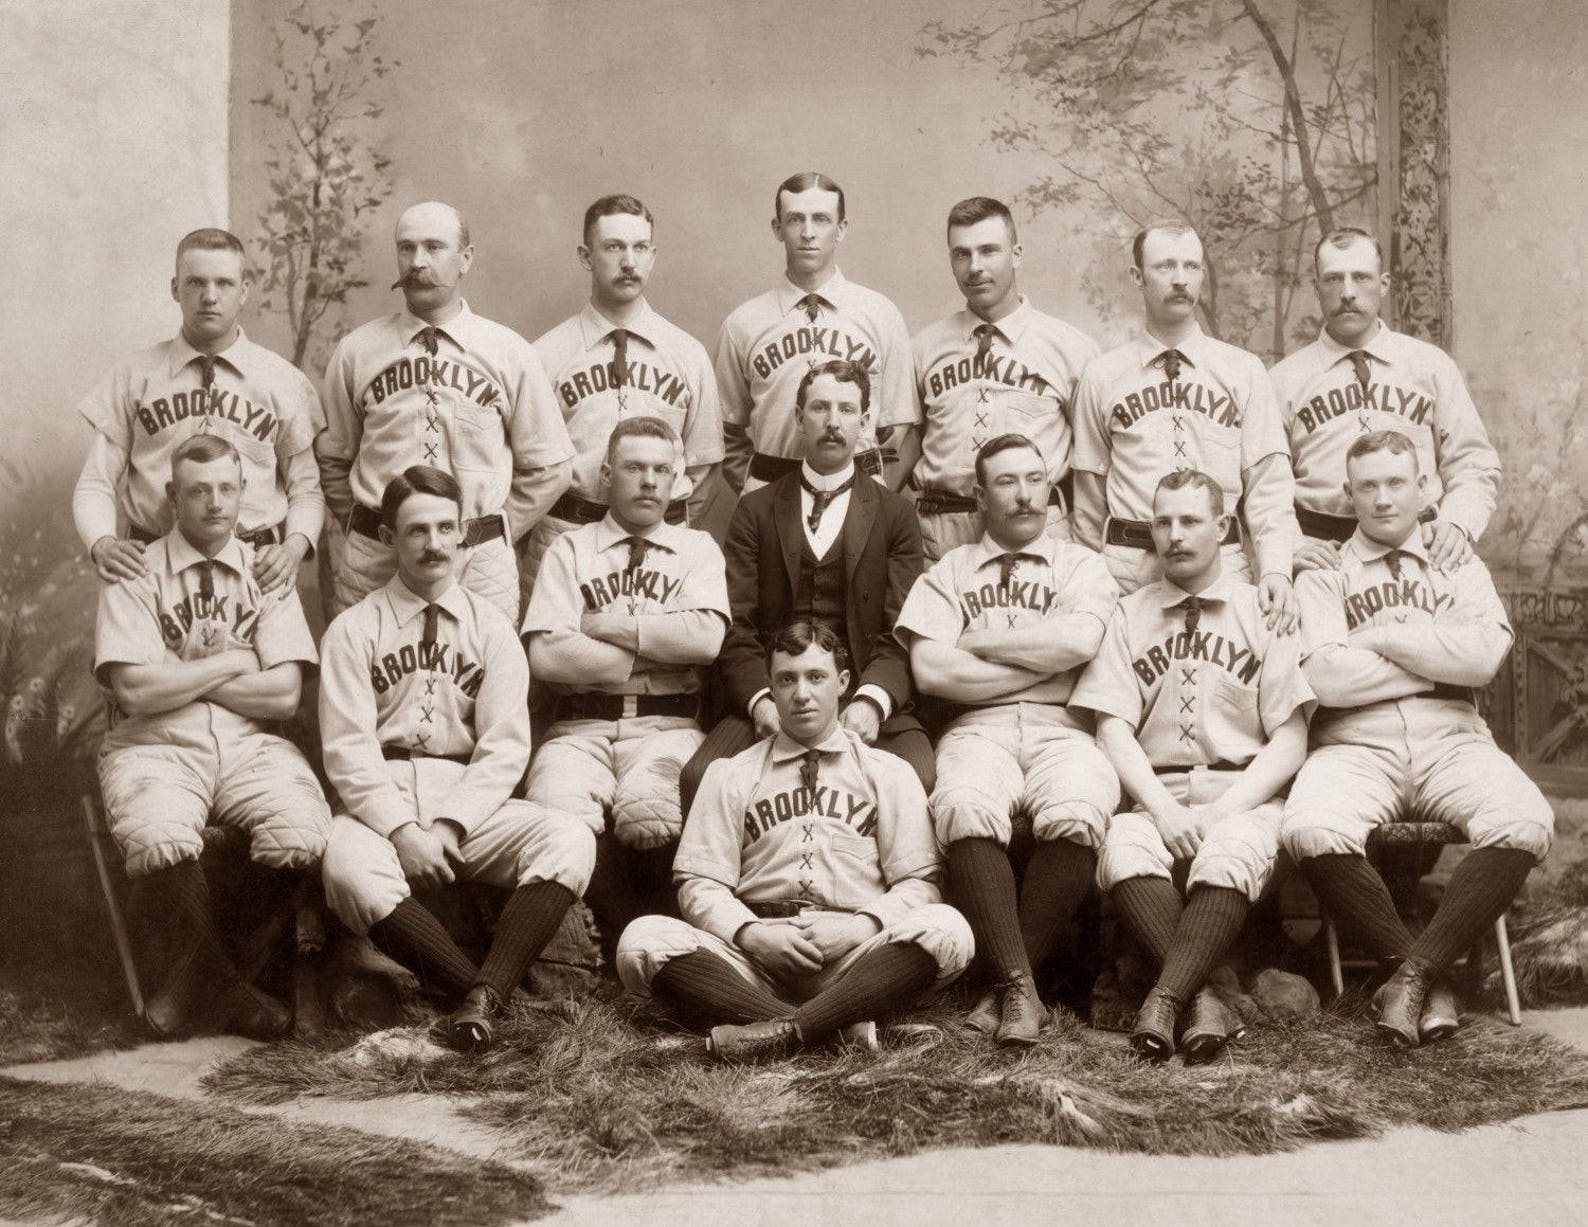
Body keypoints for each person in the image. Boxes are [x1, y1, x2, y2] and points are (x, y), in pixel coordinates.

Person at [1279, 431, 1552, 1047]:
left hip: (1453, 733)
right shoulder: (1325, 570)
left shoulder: (1457, 561)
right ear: (1347, 495)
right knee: (1310, 827)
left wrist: (1377, 636)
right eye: (1367, 486)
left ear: (1424, 488)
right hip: (1354, 741)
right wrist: (1435, 649)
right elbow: (1326, 676)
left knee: (1524, 818)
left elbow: (1484, 659)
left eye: (1396, 483)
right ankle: (1426, 978)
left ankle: (1409, 977)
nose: (1382, 499)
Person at [318, 465, 594, 1053]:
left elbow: (504, 747)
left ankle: (481, 1000)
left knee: (570, 838)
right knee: (344, 864)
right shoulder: (352, 628)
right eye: (417, 531)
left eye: (447, 528)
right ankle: (479, 994)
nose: (434, 544)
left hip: (466, 795)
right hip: (380, 793)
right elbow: (346, 748)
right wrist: (401, 830)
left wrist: (446, 825)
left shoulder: (493, 627)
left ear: (464, 534)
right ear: (390, 539)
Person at [615, 621, 973, 1061]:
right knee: (642, 940)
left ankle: (782, 1033)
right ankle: (832, 1029)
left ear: (842, 684)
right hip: (755, 959)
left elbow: (921, 884)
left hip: (853, 957)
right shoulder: (730, 773)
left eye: (815, 677)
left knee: (948, 928)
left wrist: (859, 927)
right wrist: (751, 935)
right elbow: (699, 885)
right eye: (786, 679)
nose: (801, 693)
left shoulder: (887, 772)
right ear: (771, 687)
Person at [94, 433, 330, 1039]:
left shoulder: (267, 569)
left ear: (244, 491)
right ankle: (228, 988)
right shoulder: (133, 570)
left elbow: (283, 696)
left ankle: (198, 982)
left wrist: (181, 676)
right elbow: (136, 694)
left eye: (227, 488)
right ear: (173, 495)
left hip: (250, 744)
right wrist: (232, 663)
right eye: (198, 490)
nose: (214, 503)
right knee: (157, 835)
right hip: (156, 745)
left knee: (301, 831)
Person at [1072, 468, 1312, 1063]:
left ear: (1224, 527)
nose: (1174, 535)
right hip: (1155, 791)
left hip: (1242, 791)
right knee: (1125, 850)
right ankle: (1203, 996)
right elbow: (1111, 726)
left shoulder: (1264, 610)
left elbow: (1291, 738)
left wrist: (1222, 810)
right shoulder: (1128, 614)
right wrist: (1162, 807)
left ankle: (1164, 997)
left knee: (1229, 855)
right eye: (1162, 521)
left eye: (1190, 521)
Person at [894, 433, 1120, 1044]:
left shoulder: (1082, 564)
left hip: (1065, 728)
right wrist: (1040, 660)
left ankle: (1004, 988)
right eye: (1006, 482)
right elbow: (932, 672)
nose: (1025, 496)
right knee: (964, 806)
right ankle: (1022, 987)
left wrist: (977, 641)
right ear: (978, 495)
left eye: (1035, 480)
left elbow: (1080, 644)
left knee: (1077, 810)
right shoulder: (948, 571)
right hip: (976, 729)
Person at [680, 359, 932, 811]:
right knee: (701, 778)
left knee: (918, 776)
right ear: (798, 419)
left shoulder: (896, 514)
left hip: (860, 697)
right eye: (819, 408)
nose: (833, 422)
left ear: (866, 422)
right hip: (772, 697)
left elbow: (902, 631)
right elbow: (736, 626)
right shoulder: (755, 510)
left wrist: (872, 703)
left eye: (847, 410)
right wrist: (761, 702)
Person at [522, 417, 729, 951]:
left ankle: (645, 938)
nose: (649, 482)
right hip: (578, 727)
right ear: (608, 474)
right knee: (557, 810)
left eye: (662, 470)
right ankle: (592, 944)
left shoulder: (698, 548)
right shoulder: (570, 549)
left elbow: (705, 640)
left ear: (677, 479)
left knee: (651, 811)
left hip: (666, 724)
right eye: (635, 468)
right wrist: (648, 654)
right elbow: (545, 654)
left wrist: (612, 628)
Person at [316, 201, 574, 623]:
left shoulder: (508, 351)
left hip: (478, 563)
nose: (417, 262)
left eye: (434, 247)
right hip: (376, 558)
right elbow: (333, 456)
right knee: (369, 674)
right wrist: (375, 527)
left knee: (483, 677)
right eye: (406, 248)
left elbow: (551, 466)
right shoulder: (357, 351)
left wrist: (489, 530)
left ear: (466, 259)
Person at [1071, 222, 1298, 626]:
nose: (1180, 280)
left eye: (1191, 267)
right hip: (1128, 572)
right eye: (1165, 267)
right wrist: (1090, 581)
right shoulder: (1102, 375)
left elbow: (1270, 486)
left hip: (1223, 565)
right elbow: (1088, 501)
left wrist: (1277, 567)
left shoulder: (1243, 370)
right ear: (1137, 277)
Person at [74, 228, 324, 593]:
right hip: (152, 565)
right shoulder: (134, 376)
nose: (209, 297)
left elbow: (306, 488)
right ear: (175, 289)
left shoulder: (283, 380)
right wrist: (102, 543)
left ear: (244, 290)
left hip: (254, 567)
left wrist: (292, 548)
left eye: (224, 283)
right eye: (195, 283)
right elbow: (96, 481)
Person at [1270, 227, 1501, 573]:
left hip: (1423, 545)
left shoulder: (1430, 365)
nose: (1347, 293)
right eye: (1334, 279)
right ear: (1316, 288)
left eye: (1361, 277)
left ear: (1384, 284)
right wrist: (1291, 544)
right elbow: (1264, 485)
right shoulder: (1283, 381)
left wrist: (1457, 522)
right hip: (1324, 554)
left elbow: (1473, 461)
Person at [524, 194, 724, 593]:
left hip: (660, 542)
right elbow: (527, 467)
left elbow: (704, 469)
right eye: (614, 247)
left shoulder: (686, 353)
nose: (629, 261)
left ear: (652, 255)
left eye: (639, 248)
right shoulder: (544, 355)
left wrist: (658, 523)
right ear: (586, 256)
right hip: (568, 536)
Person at [909, 196, 1099, 560]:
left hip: (1038, 528)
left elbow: (1092, 464)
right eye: (961, 254)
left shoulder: (1072, 349)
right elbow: (906, 448)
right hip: (942, 531)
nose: (975, 266)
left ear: (1016, 254)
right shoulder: (923, 348)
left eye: (989, 251)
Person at [714, 172, 917, 494]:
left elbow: (900, 428)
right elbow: (724, 431)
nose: (808, 233)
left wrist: (874, 500)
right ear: (778, 229)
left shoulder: (880, 314)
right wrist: (758, 497)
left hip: (858, 485)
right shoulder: (742, 323)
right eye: (796, 220)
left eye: (821, 219)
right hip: (773, 481)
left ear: (841, 229)